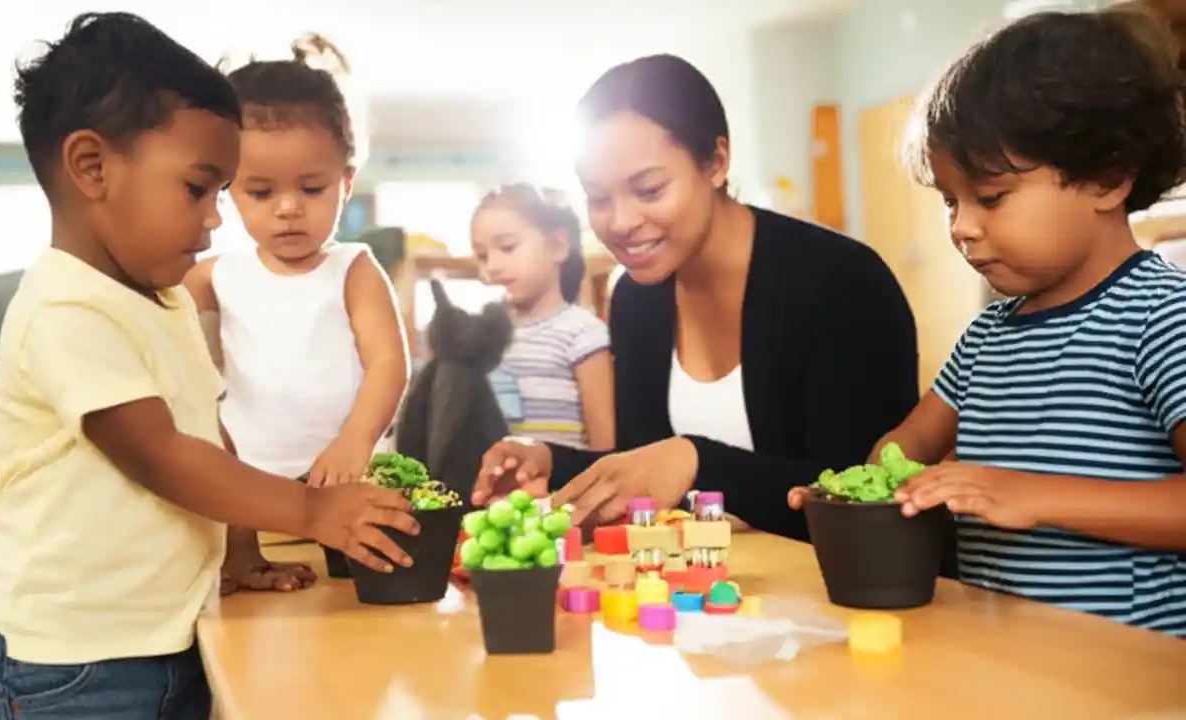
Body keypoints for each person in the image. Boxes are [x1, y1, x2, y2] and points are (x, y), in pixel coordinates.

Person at [0, 14, 417, 718]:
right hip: (76, 659)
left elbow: (208, 431)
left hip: (169, 629)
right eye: (198, 189)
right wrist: (309, 509)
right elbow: (161, 455)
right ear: (91, 167)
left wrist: (241, 552)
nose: (214, 220)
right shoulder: (66, 309)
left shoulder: (164, 299)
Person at [796, 8, 1186, 636]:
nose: (962, 227)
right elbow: (903, 449)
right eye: (951, 201)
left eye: (991, 197)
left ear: (1108, 178)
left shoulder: (1162, 316)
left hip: (1124, 669)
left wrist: (1032, 494)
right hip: (999, 655)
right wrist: (851, 491)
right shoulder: (986, 338)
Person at [474, 54, 918, 539]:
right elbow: (645, 467)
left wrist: (696, 460)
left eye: (649, 189)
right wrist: (549, 462)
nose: (620, 222)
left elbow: (866, 494)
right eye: (598, 198)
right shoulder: (636, 299)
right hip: (704, 583)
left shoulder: (842, 283)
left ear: (717, 162)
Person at [183, 34, 409, 592]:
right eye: (261, 192)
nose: (288, 208)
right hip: (252, 501)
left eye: (311, 188)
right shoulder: (214, 277)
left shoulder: (354, 269)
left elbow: (388, 364)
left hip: (348, 490)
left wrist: (356, 439)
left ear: (345, 184)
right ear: (228, 190)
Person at [470, 183, 615, 450]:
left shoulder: (583, 333)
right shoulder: (481, 336)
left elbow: (603, 441)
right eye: (482, 256)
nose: (492, 266)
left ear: (558, 246)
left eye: (508, 247)